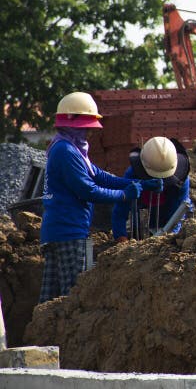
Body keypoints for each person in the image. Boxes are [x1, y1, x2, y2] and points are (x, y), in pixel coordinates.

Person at [38, 92, 160, 303]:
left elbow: (100, 176)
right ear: (72, 125)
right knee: (73, 299)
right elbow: (88, 190)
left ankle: (44, 327)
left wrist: (138, 183)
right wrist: (124, 195)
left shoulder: (70, 147)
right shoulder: (66, 151)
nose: (89, 134)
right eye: (85, 128)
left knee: (51, 301)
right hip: (69, 233)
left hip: (60, 231)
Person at [112, 136, 192, 242]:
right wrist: (121, 237)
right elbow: (121, 209)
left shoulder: (180, 180)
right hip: (139, 224)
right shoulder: (132, 174)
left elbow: (178, 214)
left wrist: (170, 238)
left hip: (167, 221)